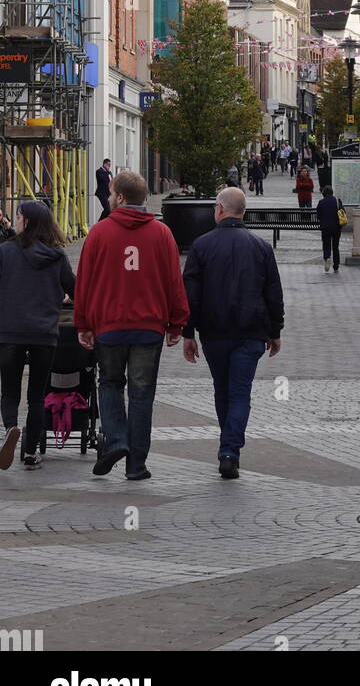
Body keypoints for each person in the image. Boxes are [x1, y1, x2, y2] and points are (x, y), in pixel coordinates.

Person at [74, 170, 189, 481]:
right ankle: (136, 463)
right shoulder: (161, 234)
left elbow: (84, 281)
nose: (109, 198)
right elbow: (173, 282)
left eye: (111, 194)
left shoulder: (99, 233)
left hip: (109, 326)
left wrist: (82, 323)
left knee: (110, 383)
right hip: (148, 327)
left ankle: (116, 440)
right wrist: (177, 323)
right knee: (141, 393)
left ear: (120, 197)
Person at [182, 187, 283, 479]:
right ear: (243, 212)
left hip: (214, 332)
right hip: (251, 332)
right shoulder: (261, 247)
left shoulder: (201, 246)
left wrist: (188, 332)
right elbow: (273, 294)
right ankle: (230, 451)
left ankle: (228, 445)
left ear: (218, 209)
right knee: (240, 393)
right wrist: (275, 330)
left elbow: (191, 295)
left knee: (222, 389)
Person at [0, 201, 75, 470]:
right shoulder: (56, 255)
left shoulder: (5, 252)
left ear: (27, 222)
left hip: (10, 332)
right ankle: (30, 452)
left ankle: (11, 428)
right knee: (37, 395)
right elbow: (75, 289)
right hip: (45, 333)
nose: (15, 220)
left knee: (9, 392)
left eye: (18, 216)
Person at [316, 186, 342, 273]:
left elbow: (318, 215)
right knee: (335, 246)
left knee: (326, 244)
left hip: (325, 227)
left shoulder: (321, 202)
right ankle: (336, 266)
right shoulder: (337, 201)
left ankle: (327, 257)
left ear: (324, 193)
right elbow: (342, 212)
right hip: (336, 227)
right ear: (332, 192)